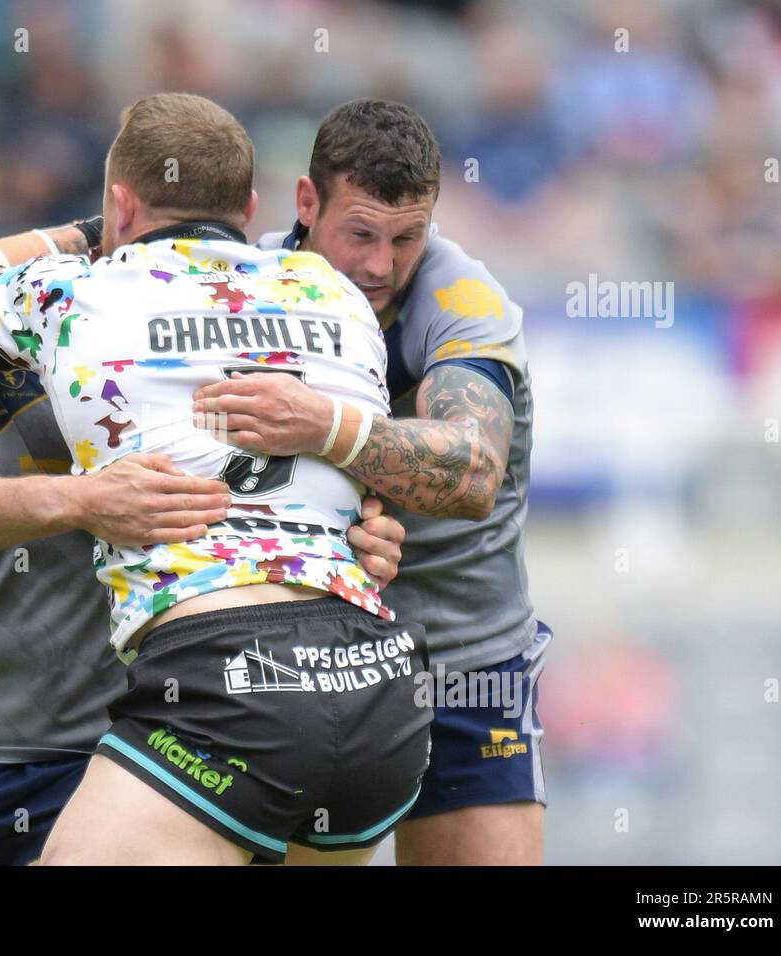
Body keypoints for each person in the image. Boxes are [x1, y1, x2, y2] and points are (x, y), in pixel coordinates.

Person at [0, 86, 406, 865]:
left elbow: (252, 446)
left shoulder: (71, 316)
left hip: (121, 750)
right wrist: (87, 499)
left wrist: (352, 526)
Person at [194, 98, 550, 865]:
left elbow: (473, 470)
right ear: (305, 203)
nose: (382, 265)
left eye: (407, 237)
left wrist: (322, 427)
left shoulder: (462, 300)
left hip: (462, 666)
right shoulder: (244, 286)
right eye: (360, 234)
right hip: (302, 657)